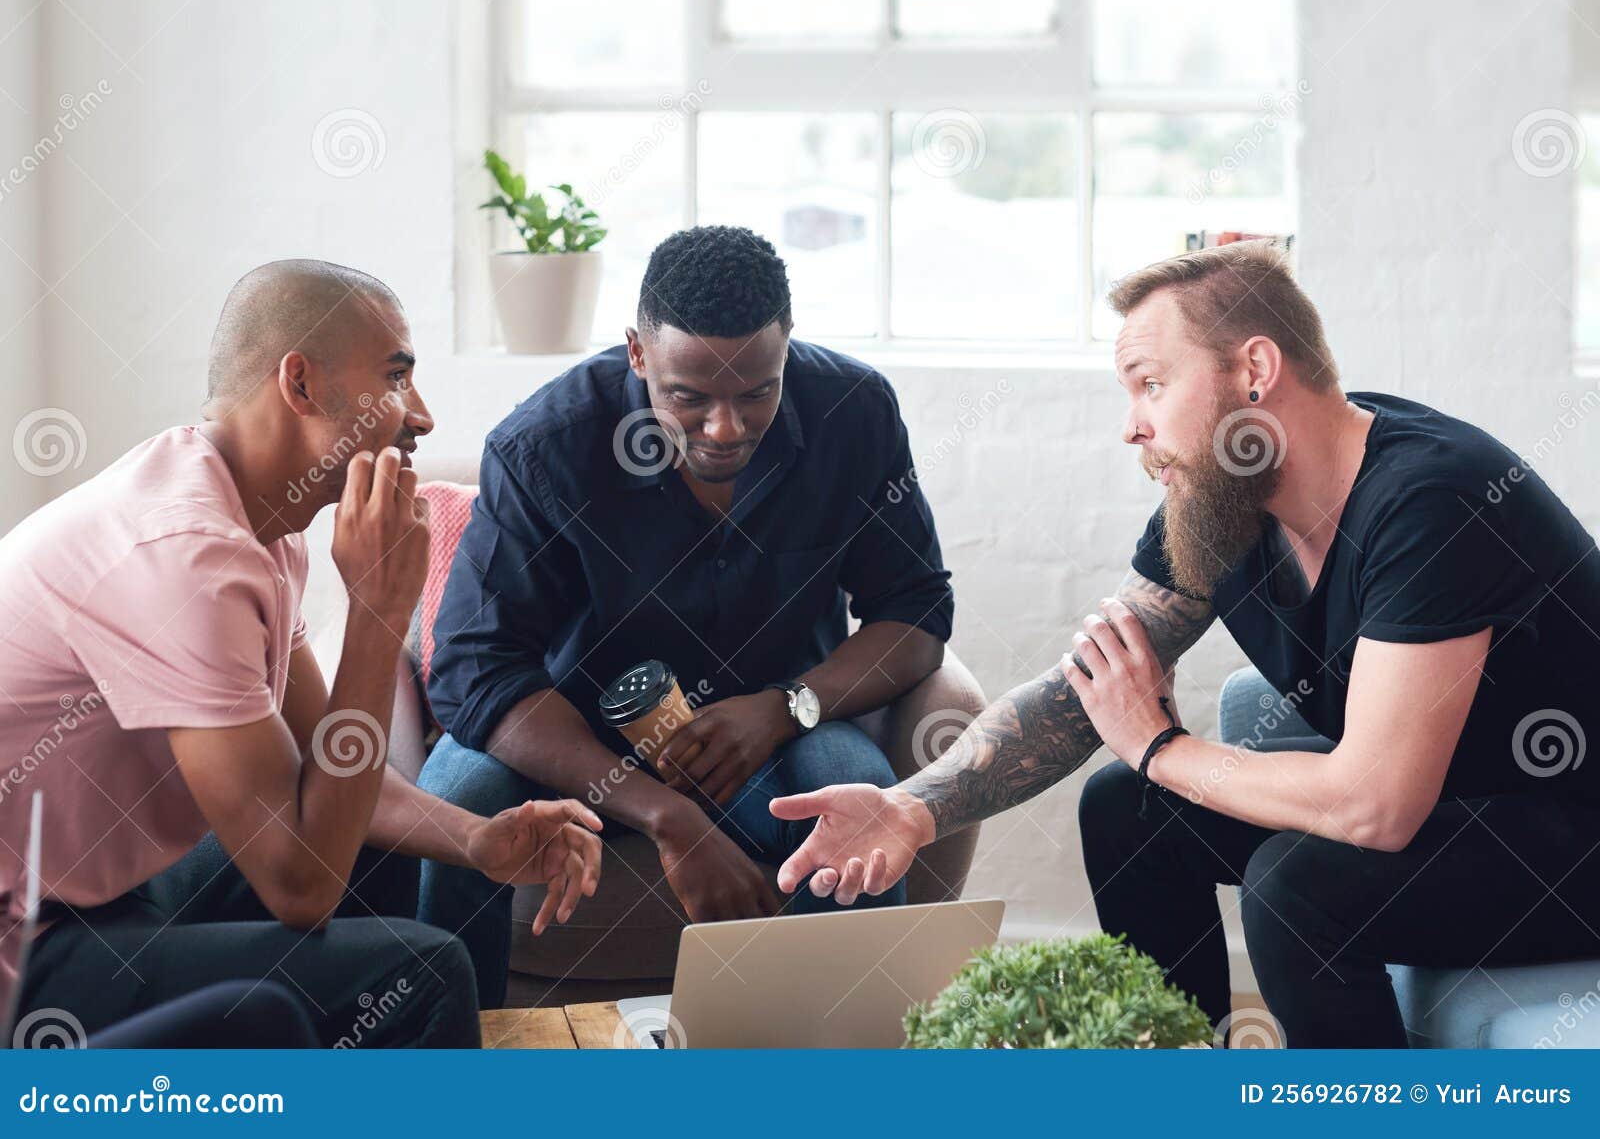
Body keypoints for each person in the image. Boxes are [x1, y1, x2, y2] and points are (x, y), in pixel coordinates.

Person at [769, 240, 1600, 1048]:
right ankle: (1184, 1080)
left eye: (1152, 385)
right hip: (1456, 805)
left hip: (1569, 828)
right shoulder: (1227, 499)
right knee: (1126, 808)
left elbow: (1375, 806)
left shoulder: (1433, 499)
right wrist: (913, 806)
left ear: (1254, 370)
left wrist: (1161, 746)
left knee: (1293, 885)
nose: (1133, 426)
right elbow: (1081, 697)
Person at [0, 260, 601, 1048]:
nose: (420, 415)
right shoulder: (188, 556)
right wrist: (377, 614)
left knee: (366, 845)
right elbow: (300, 887)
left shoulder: (256, 527)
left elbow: (331, 759)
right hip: (27, 956)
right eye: (397, 376)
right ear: (301, 384)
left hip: (97, 898)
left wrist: (476, 838)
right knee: (422, 971)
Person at [419, 225, 955, 1006]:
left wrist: (783, 708)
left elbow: (914, 614)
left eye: (756, 392)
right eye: (688, 398)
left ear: (787, 345)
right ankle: (445, 1071)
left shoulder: (854, 412)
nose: (725, 428)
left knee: (855, 785)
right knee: (461, 789)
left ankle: (831, 1071)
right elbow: (477, 671)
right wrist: (668, 816)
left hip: (780, 725)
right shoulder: (546, 445)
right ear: (638, 353)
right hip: (575, 742)